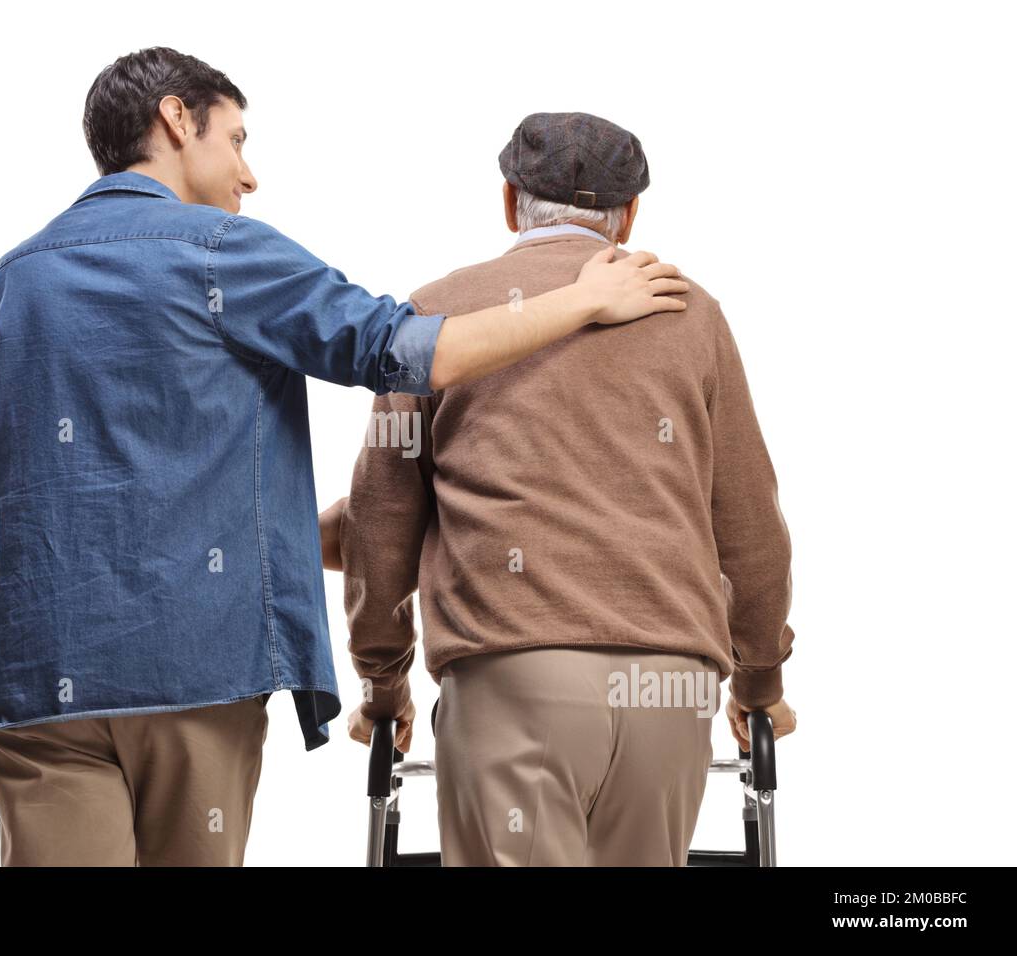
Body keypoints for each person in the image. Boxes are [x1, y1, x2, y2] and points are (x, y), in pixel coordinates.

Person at [0, 52, 689, 867]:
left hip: (37, 676)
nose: (249, 175)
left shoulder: (16, 278)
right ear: (177, 120)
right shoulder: (223, 254)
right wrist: (583, 299)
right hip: (193, 671)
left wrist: (355, 539)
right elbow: (405, 349)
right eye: (237, 140)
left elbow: (88, 478)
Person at [319, 112, 796, 866]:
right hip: (670, 684)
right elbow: (751, 528)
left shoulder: (434, 314)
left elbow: (381, 523)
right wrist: (759, 683)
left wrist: (384, 685)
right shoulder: (693, 315)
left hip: (513, 671)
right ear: (629, 215)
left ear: (510, 201)